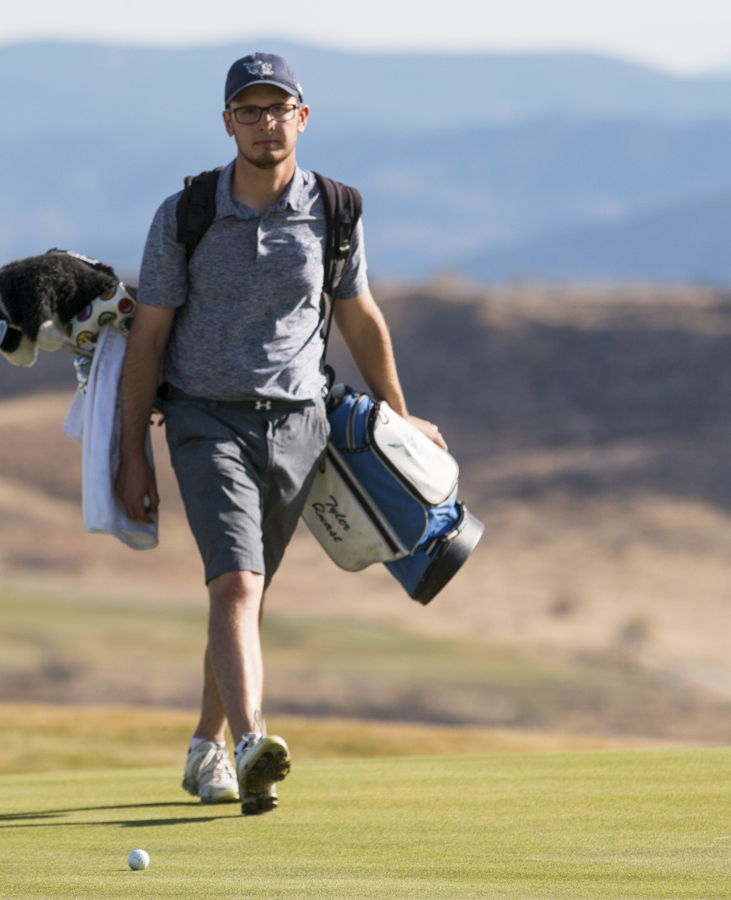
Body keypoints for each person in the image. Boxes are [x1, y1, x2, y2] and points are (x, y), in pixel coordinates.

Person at [115, 51, 445, 816]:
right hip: (205, 420)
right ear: (227, 123)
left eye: (278, 109)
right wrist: (131, 453)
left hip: (302, 427)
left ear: (302, 117)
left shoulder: (335, 209)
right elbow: (149, 338)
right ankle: (252, 743)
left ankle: (205, 746)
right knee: (234, 581)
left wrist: (396, 416)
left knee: (247, 594)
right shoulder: (185, 214)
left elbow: (360, 318)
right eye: (250, 111)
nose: (266, 123)